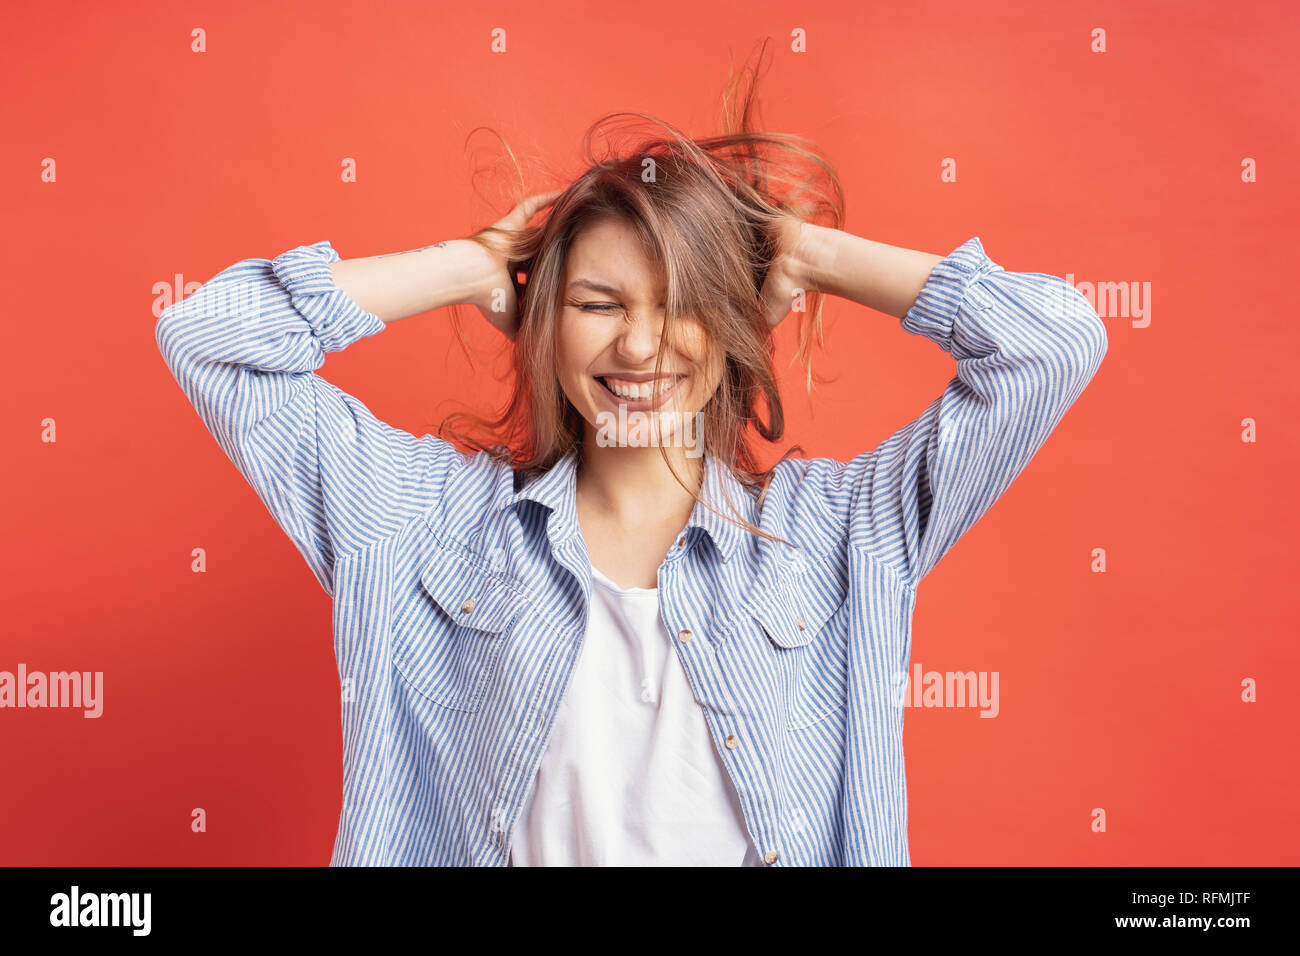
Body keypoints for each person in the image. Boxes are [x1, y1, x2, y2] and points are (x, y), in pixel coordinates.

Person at [154, 97, 1107, 867]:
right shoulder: (419, 521)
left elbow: (1050, 343)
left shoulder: (842, 534)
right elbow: (211, 340)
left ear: (735, 324)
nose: (642, 344)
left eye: (686, 306)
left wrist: (810, 254)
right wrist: (470, 265)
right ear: (542, 323)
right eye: (597, 304)